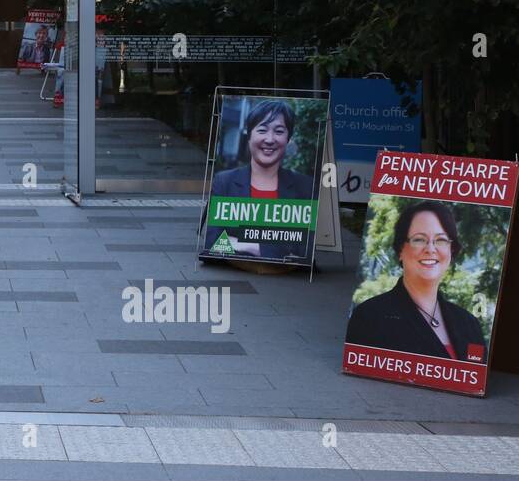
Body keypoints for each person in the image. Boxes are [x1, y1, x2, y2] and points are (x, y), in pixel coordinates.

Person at [346, 201, 486, 363]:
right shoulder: (369, 317)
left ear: (451, 250)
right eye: (419, 239)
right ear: (400, 250)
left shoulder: (469, 324)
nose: (430, 249)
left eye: (441, 240)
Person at [201, 99, 317, 260]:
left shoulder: (305, 186)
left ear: (288, 139)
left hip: (287, 279)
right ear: (249, 136)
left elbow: (305, 250)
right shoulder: (224, 182)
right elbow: (213, 243)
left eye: (279, 131)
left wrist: (240, 243)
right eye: (262, 130)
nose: (270, 139)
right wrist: (268, 247)